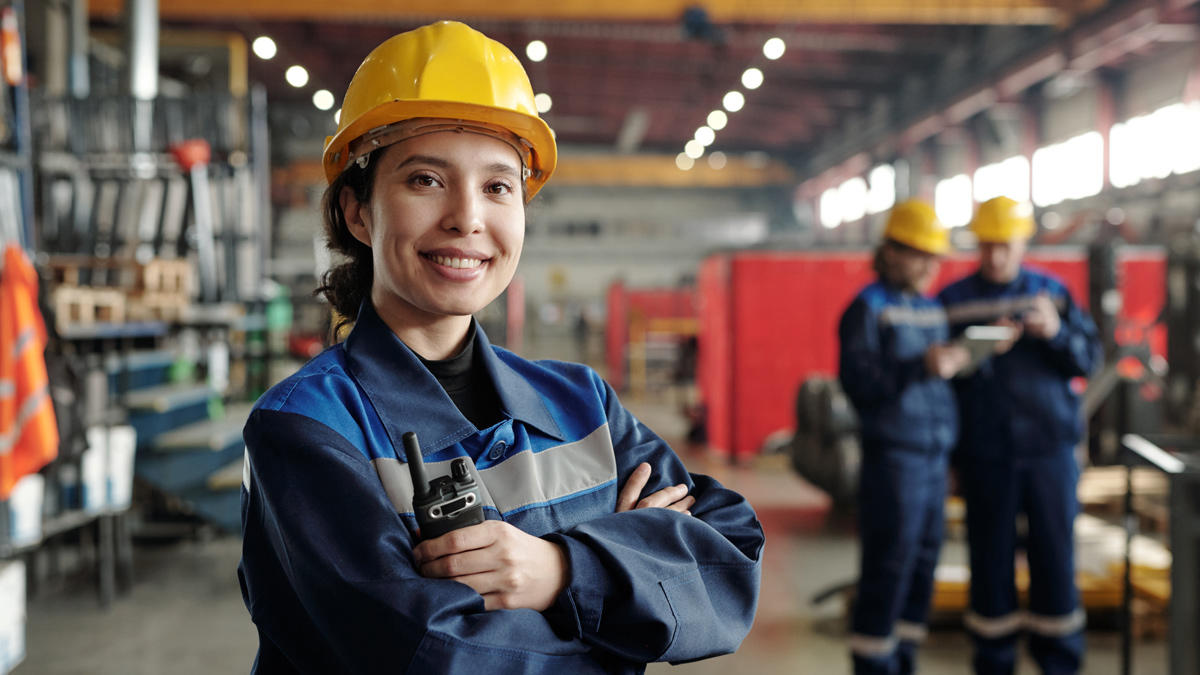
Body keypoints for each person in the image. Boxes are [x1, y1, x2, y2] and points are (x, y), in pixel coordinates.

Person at [237, 21, 763, 675]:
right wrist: (632, 580)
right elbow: (432, 654)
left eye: (497, 186)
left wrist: (563, 569)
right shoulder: (308, 428)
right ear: (358, 211)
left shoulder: (580, 403)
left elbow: (730, 562)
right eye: (426, 180)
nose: (468, 217)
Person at [938, 196, 1101, 675]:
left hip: (1050, 451)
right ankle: (994, 661)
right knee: (989, 562)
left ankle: (1060, 662)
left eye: (1004, 246)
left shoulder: (1053, 293)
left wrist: (1055, 332)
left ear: (1023, 242)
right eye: (987, 246)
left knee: (1055, 556)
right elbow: (941, 382)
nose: (995, 257)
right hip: (986, 454)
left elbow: (1088, 360)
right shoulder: (954, 300)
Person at [838, 200, 969, 674]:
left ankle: (904, 660)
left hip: (934, 458)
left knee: (923, 567)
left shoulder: (932, 308)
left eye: (935, 257)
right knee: (889, 567)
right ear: (891, 251)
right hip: (894, 459)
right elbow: (860, 383)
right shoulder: (867, 309)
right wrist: (921, 367)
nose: (932, 266)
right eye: (921, 255)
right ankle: (874, 664)